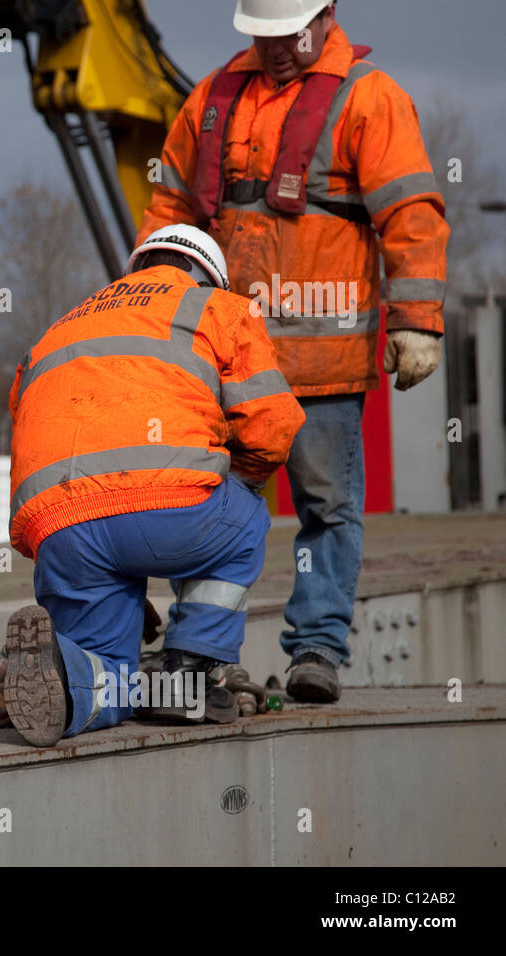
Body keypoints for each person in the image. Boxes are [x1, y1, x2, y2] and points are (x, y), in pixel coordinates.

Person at [136, 0, 449, 702]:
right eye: (262, 33)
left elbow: (411, 214)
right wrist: (156, 306)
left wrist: (417, 320)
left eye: (287, 32)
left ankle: (316, 652)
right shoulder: (215, 100)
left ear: (325, 16)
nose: (275, 47)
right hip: (226, 364)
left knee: (326, 511)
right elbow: (170, 214)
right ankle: (203, 653)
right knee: (208, 506)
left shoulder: (369, 99)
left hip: (323, 371)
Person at [3, 225, 305, 746]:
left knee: (110, 679)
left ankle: (66, 674)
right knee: (247, 519)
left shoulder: (61, 326)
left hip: (60, 529)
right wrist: (238, 480)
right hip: (170, 509)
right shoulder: (218, 307)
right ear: (210, 275)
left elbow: (30, 418)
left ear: (138, 267)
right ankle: (187, 672)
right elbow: (271, 427)